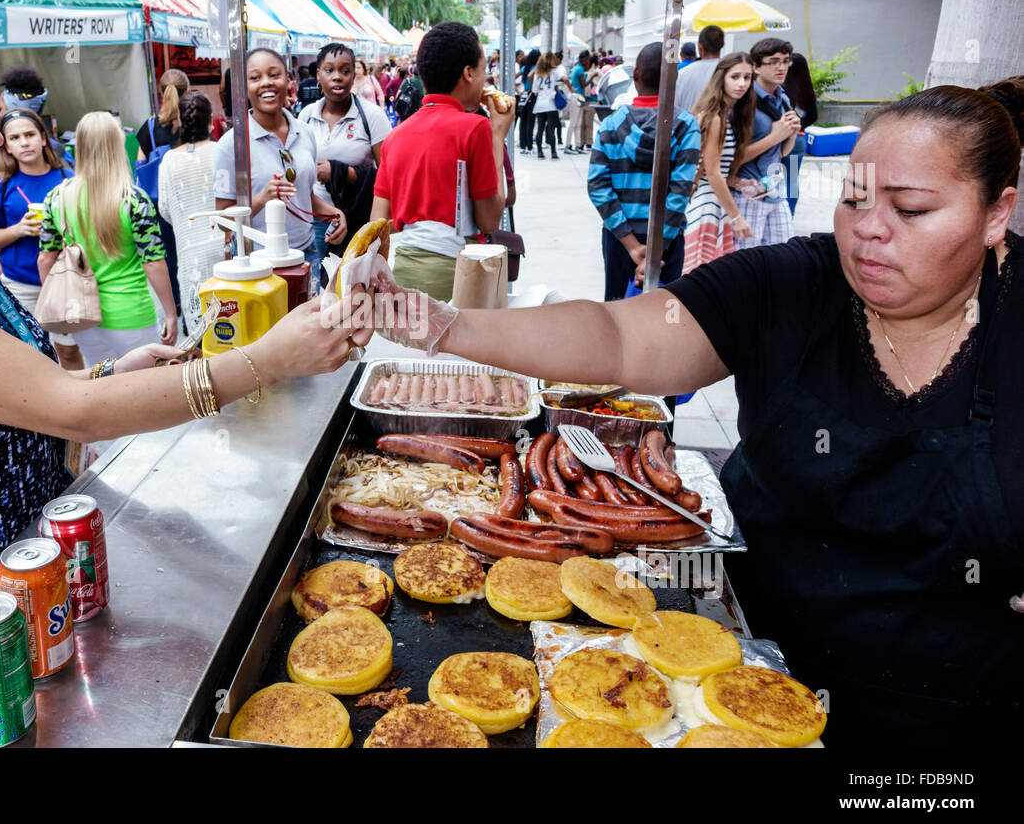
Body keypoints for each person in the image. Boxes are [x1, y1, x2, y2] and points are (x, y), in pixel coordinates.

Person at [358, 79, 1024, 747]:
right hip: (721, 655)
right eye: (854, 199)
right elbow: (614, 336)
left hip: (943, 715)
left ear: (998, 214)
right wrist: (435, 322)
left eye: (910, 209)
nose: (870, 229)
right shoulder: (793, 283)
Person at [0, 0, 370, 663]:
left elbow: (24, 391)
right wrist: (268, 360)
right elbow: (70, 410)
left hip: (21, 579)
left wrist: (108, 371)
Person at [369, 22, 515, 301]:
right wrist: (498, 135)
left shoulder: (396, 136)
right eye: (484, 69)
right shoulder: (476, 128)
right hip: (460, 275)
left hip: (403, 274)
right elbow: (490, 220)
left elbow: (378, 223)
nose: (486, 78)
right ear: (468, 73)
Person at [37, 112, 179, 365]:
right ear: (118, 144)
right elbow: (153, 262)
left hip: (83, 315)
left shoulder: (56, 198)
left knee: (103, 382)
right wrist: (170, 312)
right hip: (132, 313)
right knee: (146, 388)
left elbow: (45, 259)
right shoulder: (133, 199)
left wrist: (58, 306)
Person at [213, 48, 348, 293]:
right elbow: (223, 220)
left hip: (306, 255)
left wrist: (334, 214)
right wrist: (263, 197)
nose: (266, 83)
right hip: (256, 263)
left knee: (307, 327)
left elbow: (303, 195)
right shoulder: (231, 145)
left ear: (288, 80)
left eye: (274, 75)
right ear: (245, 88)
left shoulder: (304, 132)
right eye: (255, 78)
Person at [586, 42, 701, 299]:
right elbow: (680, 191)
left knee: (616, 315)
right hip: (667, 241)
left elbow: (597, 187)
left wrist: (632, 246)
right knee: (661, 317)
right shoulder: (686, 125)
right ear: (675, 78)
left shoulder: (610, 124)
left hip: (619, 239)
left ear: (635, 74)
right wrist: (655, 251)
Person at [0, 109, 81, 370]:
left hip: (64, 281)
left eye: (29, 134)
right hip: (20, 285)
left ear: (44, 139)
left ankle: (83, 402)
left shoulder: (68, 181)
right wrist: (20, 229)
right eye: (14, 138)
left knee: (69, 352)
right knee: (30, 354)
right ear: (7, 147)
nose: (24, 142)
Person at [300, 43, 391, 259]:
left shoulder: (372, 117)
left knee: (351, 288)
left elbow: (389, 176)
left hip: (357, 220)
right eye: (329, 70)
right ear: (318, 75)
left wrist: (342, 173)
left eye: (345, 70)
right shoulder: (305, 117)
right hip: (316, 220)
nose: (337, 76)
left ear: (353, 75)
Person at [682, 53, 756, 273]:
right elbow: (713, 173)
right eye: (735, 76)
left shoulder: (722, 115)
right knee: (700, 281)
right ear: (721, 78)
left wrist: (737, 181)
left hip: (712, 203)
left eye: (747, 77)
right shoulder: (714, 117)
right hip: (707, 206)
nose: (742, 83)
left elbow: (713, 168)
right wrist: (737, 218)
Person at [157, 93, 223, 323]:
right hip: (225, 250)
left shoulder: (169, 161)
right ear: (210, 121)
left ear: (180, 121)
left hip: (189, 255)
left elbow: (165, 209)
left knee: (200, 331)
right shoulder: (221, 151)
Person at [734, 37, 801, 251]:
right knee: (746, 263)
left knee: (785, 256)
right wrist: (774, 136)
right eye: (773, 61)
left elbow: (781, 153)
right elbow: (731, 158)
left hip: (774, 190)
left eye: (785, 61)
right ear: (756, 67)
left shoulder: (783, 99)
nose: (781, 67)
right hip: (747, 194)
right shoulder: (743, 101)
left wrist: (791, 133)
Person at [781, 51, 818, 217]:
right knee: (792, 181)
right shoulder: (807, 92)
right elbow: (813, 116)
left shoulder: (779, 89)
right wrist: (801, 125)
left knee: (769, 179)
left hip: (776, 139)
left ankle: (774, 215)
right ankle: (789, 217)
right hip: (799, 140)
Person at [137, 69, 189, 161]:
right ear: (187, 91)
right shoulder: (194, 122)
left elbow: (141, 165)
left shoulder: (150, 127)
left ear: (161, 92)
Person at [674, 25, 725, 115]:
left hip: (689, 126)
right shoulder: (730, 72)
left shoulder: (682, 73)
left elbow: (675, 108)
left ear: (700, 47)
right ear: (723, 44)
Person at [530, 52, 563, 161]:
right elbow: (560, 83)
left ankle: (540, 152)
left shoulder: (537, 74)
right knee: (551, 128)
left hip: (540, 103)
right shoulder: (554, 72)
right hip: (551, 103)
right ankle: (553, 152)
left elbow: (534, 91)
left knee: (540, 128)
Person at [566, 50, 593, 154]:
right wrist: (592, 77)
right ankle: (568, 146)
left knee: (578, 123)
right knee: (574, 123)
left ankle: (578, 145)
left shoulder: (576, 68)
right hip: (577, 97)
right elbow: (584, 84)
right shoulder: (580, 70)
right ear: (585, 60)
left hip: (577, 97)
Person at [516, 48, 540, 155]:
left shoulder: (524, 68)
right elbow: (532, 78)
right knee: (530, 122)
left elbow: (513, 78)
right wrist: (533, 88)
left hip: (524, 95)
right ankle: (529, 147)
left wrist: (518, 91)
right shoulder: (536, 69)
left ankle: (523, 146)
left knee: (523, 121)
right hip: (532, 96)